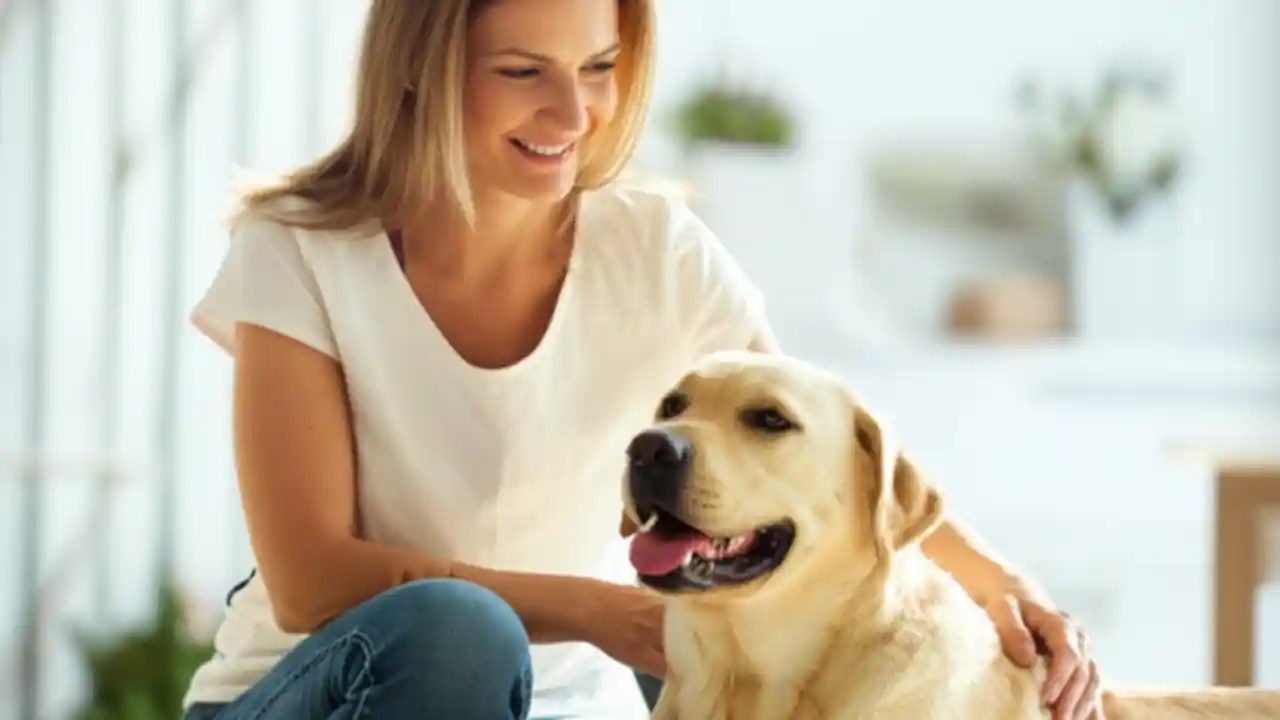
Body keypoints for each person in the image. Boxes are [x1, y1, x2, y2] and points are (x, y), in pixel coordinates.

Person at [180, 1, 1103, 718]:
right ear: (419, 71)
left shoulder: (657, 249)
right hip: (317, 697)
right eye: (520, 71)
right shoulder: (299, 249)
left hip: (573, 706)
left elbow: (812, 458)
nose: (571, 112)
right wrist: (591, 611)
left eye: (600, 68)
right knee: (460, 635)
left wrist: (1008, 589)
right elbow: (310, 579)